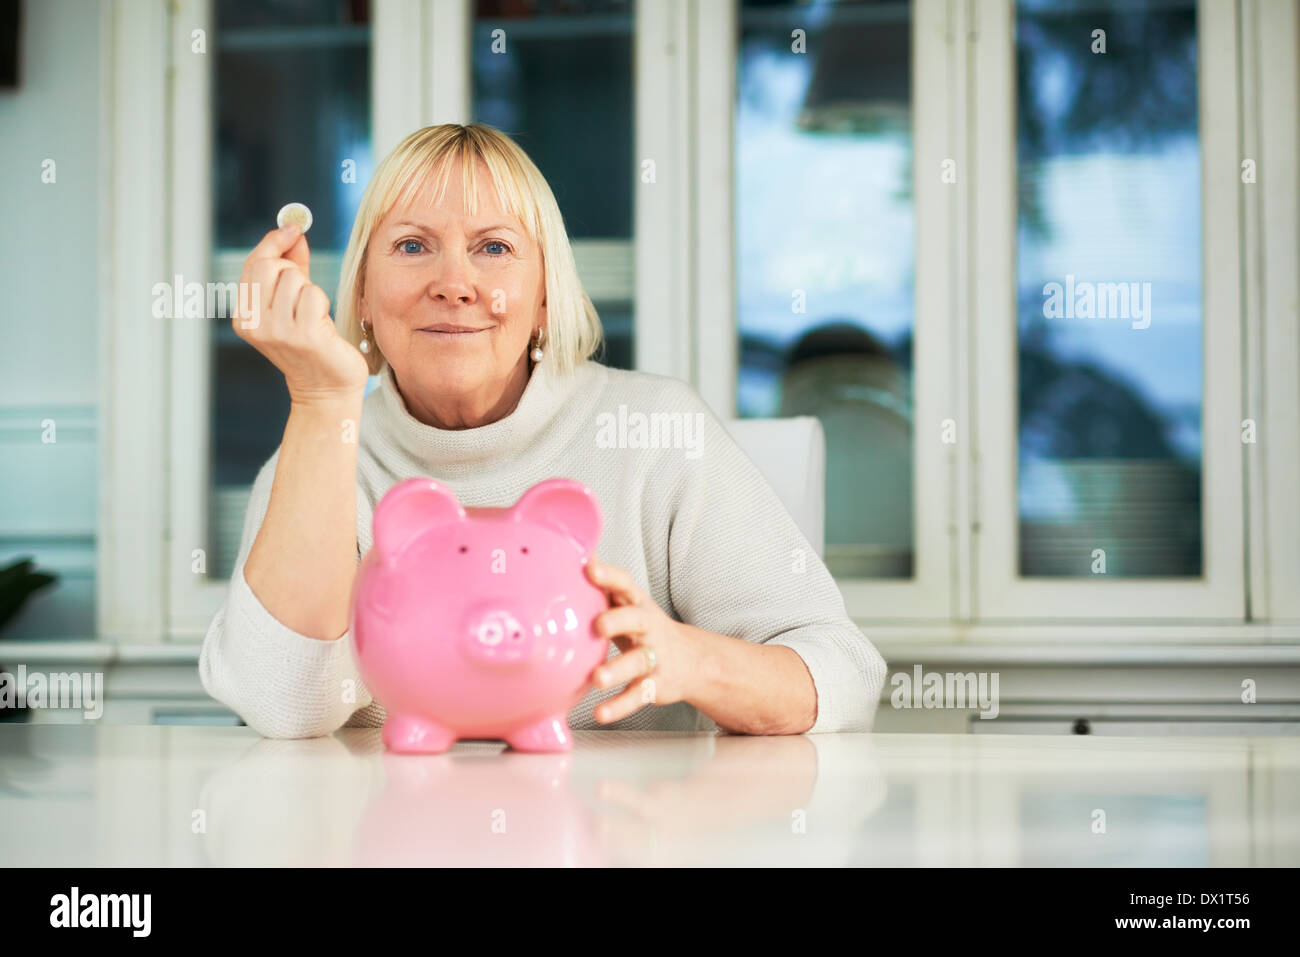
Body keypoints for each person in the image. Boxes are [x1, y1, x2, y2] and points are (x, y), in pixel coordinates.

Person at [198, 123, 887, 739]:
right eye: (413, 245)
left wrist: (691, 658)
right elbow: (282, 703)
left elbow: (844, 671)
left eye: (493, 247)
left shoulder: (656, 433)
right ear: (361, 297)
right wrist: (322, 400)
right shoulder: (320, 448)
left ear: (545, 299)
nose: (455, 283)